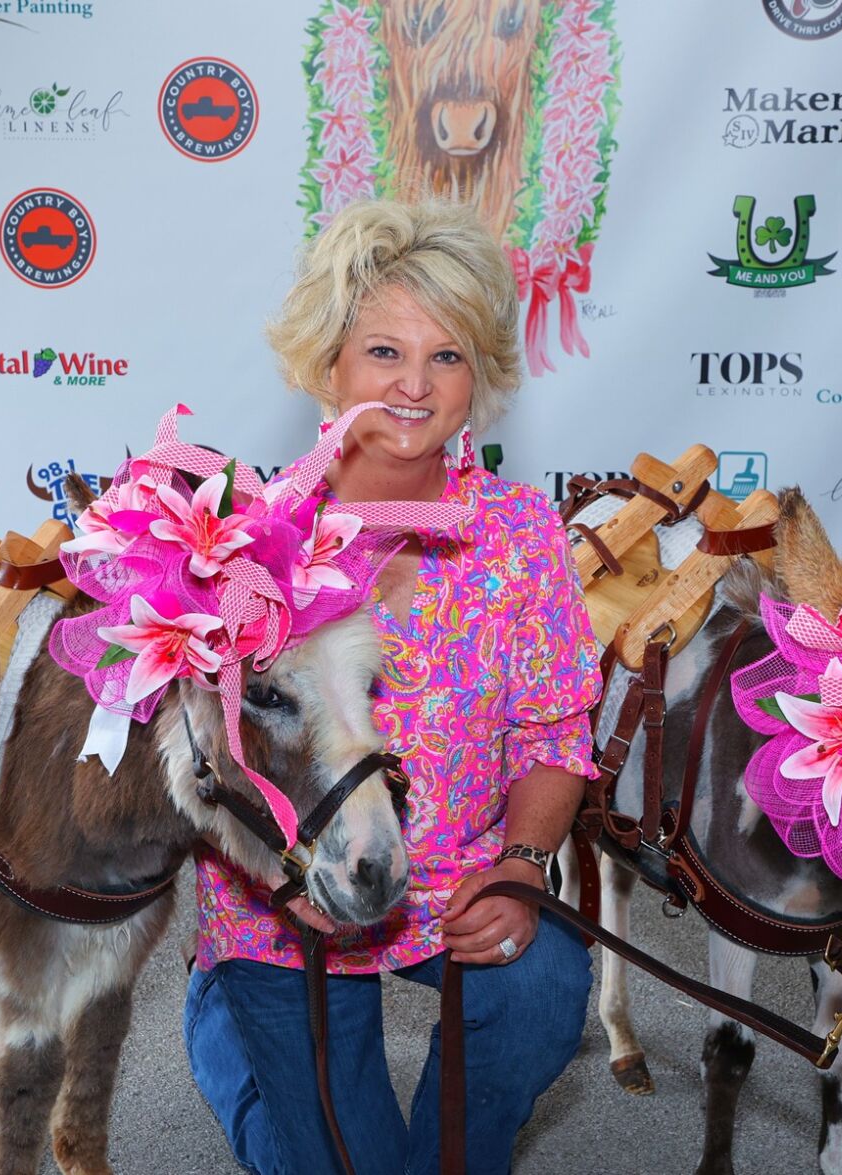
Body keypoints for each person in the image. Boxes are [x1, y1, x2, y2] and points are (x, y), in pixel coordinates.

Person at [183, 198, 603, 1175]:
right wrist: (279, 876)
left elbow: (551, 733)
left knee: (543, 987)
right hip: (283, 897)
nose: (413, 386)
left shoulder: (523, 533)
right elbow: (195, 763)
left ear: (479, 376)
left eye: (446, 355)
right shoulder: (246, 537)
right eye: (382, 351)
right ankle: (223, 1009)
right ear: (326, 362)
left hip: (453, 875)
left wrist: (523, 864)